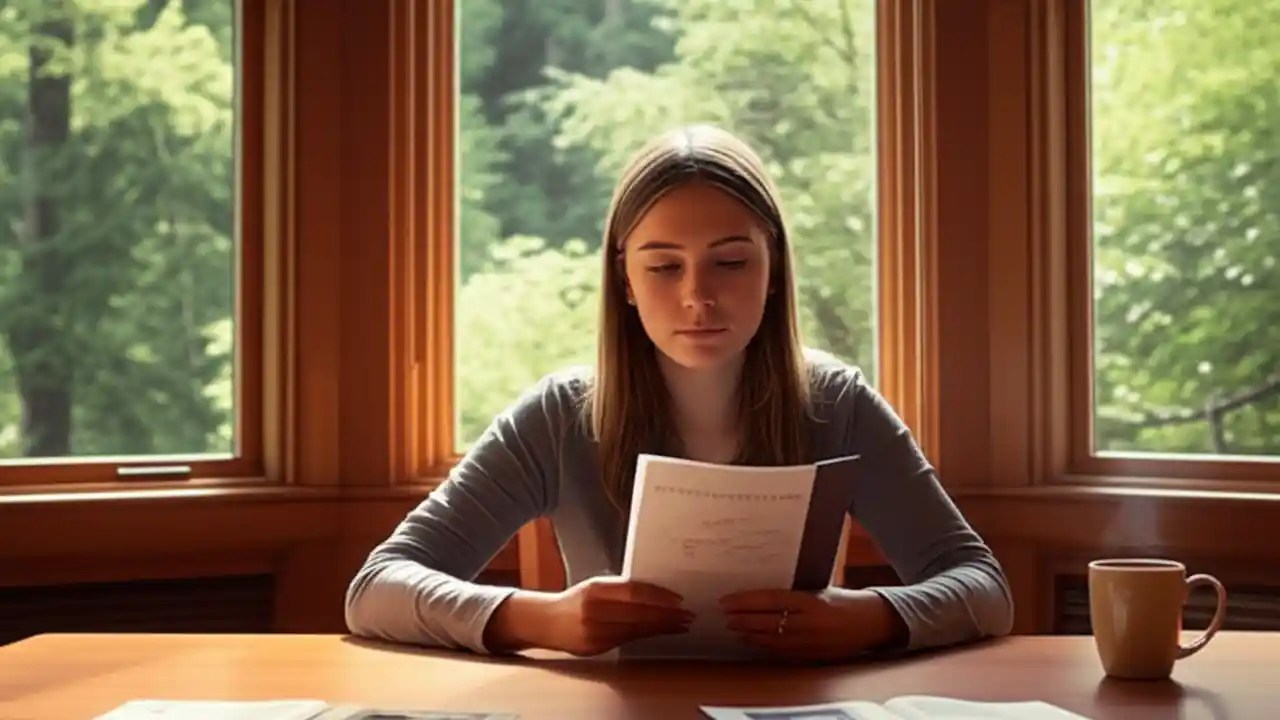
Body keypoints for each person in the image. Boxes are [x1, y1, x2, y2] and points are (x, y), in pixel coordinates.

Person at [345, 124, 1013, 663]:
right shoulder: (560, 415)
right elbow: (376, 590)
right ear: (625, 281)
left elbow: (982, 587)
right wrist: (542, 618)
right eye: (664, 266)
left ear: (774, 267)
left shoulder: (836, 402)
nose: (698, 296)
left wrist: (872, 618)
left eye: (730, 261)